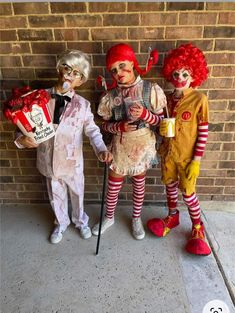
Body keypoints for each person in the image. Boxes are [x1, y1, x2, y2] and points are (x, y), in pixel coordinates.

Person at [14, 50, 112, 244]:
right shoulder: (37, 98)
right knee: (55, 196)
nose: (70, 74)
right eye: (67, 68)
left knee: (77, 194)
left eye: (76, 72)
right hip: (48, 160)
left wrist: (101, 149)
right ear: (60, 68)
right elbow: (22, 124)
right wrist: (21, 140)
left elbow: (92, 131)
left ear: (81, 80)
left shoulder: (83, 105)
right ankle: (61, 222)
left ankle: (80, 221)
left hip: (72, 162)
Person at [92, 43, 166, 240]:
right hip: (120, 145)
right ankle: (109, 217)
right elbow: (103, 125)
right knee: (113, 183)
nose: (118, 73)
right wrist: (118, 127)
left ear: (133, 63)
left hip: (142, 145)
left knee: (138, 183)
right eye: (114, 70)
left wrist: (145, 115)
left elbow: (162, 122)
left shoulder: (150, 90)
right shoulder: (111, 97)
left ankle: (136, 218)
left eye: (122, 65)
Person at [147, 43, 211, 255]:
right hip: (168, 154)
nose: (180, 77)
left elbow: (203, 131)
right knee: (170, 188)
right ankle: (172, 217)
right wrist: (161, 127)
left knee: (189, 193)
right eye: (176, 72)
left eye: (185, 73)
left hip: (187, 158)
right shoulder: (167, 99)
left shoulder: (199, 100)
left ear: (195, 75)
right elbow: (161, 124)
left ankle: (197, 227)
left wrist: (196, 161)